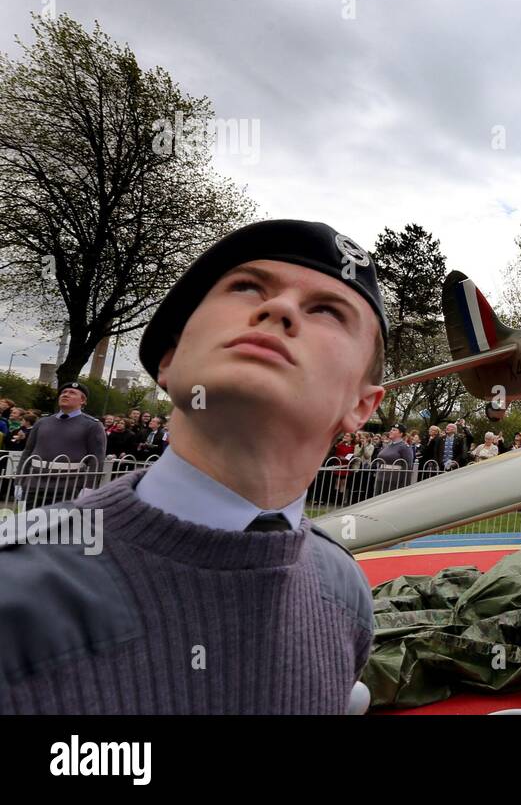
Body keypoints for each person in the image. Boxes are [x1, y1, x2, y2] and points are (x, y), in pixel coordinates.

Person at [0, 218, 388, 713]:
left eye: (329, 311)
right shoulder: (13, 595)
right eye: (247, 286)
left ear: (362, 406)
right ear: (170, 357)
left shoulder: (344, 592)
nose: (281, 307)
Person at [16, 381, 107, 508]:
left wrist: (89, 487)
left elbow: (96, 459)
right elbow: (27, 452)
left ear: (83, 401)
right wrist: (19, 481)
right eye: (64, 392)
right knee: (30, 526)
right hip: (34, 484)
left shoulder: (92, 425)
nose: (66, 395)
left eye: (72, 393)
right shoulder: (42, 422)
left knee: (60, 527)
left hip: (68, 487)